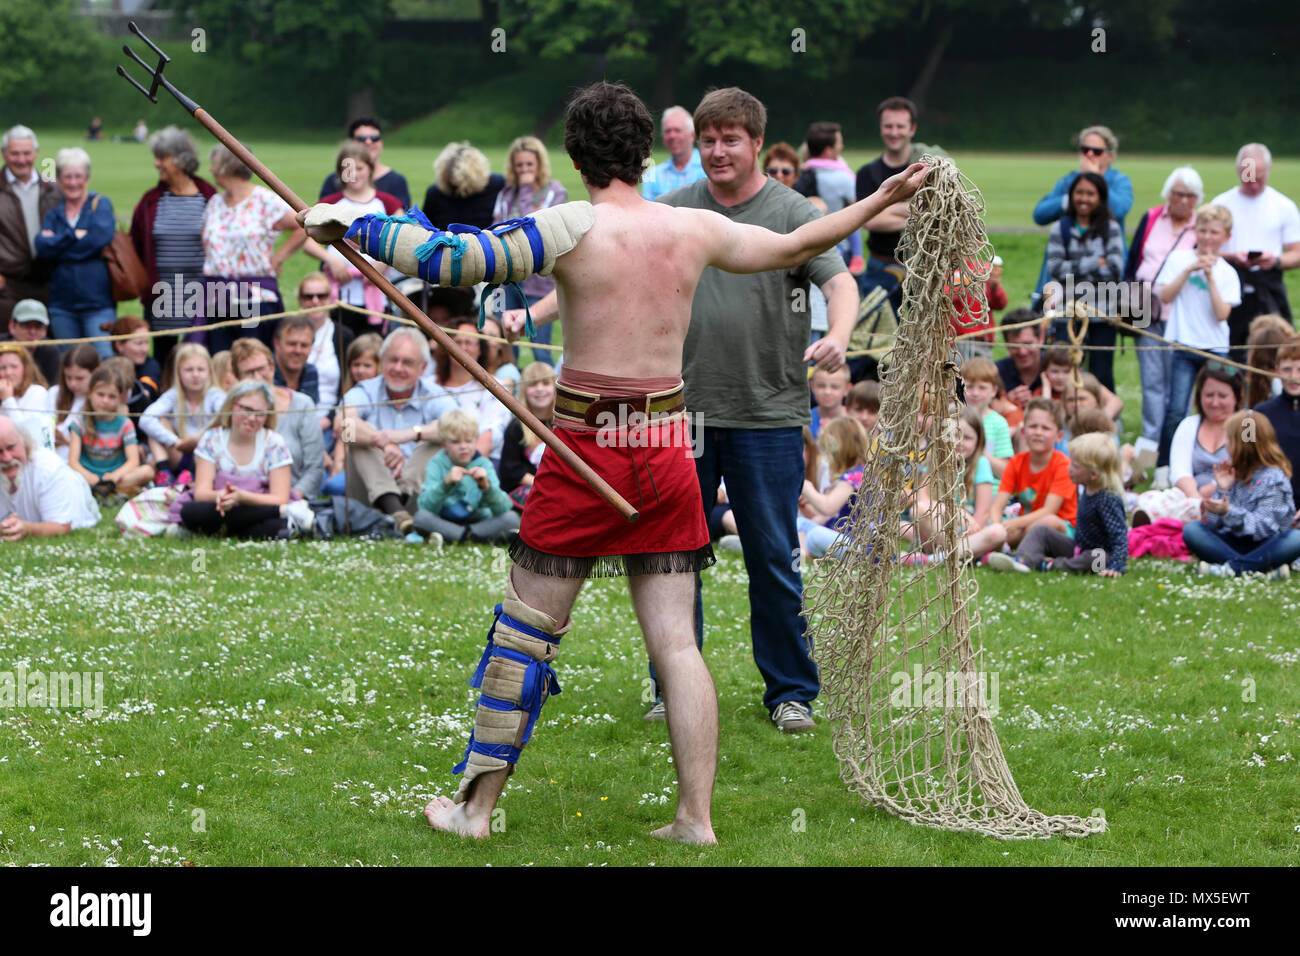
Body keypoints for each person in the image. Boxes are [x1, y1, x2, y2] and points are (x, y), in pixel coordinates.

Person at [305, 80, 924, 843]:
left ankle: (474, 812)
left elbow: (453, 261)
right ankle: (694, 820)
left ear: (576, 152)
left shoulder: (568, 224)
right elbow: (800, 244)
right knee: (676, 641)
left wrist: (354, 221)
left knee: (525, 630)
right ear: (642, 150)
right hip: (666, 443)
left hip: (588, 445)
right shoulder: (690, 226)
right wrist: (879, 198)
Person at [647, 86, 874, 734]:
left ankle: (791, 691)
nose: (717, 150)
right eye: (708, 138)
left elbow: (841, 281)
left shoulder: (791, 211)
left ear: (755, 143)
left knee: (772, 555)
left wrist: (840, 333)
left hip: (770, 415)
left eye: (730, 139)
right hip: (681, 414)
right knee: (673, 557)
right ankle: (669, 682)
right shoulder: (676, 209)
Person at [336, 326, 457, 532]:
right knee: (358, 435)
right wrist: (380, 441)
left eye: (407, 362)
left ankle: (400, 510)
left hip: (416, 495)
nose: (398, 368)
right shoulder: (366, 390)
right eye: (393, 360)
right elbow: (342, 423)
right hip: (367, 496)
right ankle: (395, 511)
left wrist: (410, 434)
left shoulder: (434, 394)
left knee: (438, 437)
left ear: (423, 368)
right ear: (382, 361)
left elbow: (459, 427)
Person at [1124, 166, 1202, 480]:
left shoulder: (1202, 225)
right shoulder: (1153, 216)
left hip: (1181, 317)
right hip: (1145, 310)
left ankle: (1174, 458)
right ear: (1168, 194)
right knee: (1152, 384)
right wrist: (1126, 298)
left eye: (1189, 195)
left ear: (1197, 199)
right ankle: (1149, 455)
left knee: (1178, 391)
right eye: (1178, 193)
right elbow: (1133, 261)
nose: (1182, 200)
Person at [1155, 204, 1241, 468]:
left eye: (1214, 233)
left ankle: (1221, 460)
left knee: (1217, 409)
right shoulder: (1179, 260)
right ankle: (1165, 465)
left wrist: (1210, 277)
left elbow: (1221, 314)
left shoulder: (1228, 272)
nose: (1206, 237)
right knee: (1176, 409)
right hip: (1182, 345)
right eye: (1202, 231)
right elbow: (1165, 296)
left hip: (1215, 349)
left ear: (1225, 236)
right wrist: (1189, 270)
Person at [201, 144, 306, 354]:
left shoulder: (263, 200)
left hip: (255, 298)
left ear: (228, 166)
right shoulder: (214, 202)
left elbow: (303, 225)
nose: (211, 170)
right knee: (220, 362)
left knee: (252, 360)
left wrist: (278, 258)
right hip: (218, 298)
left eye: (214, 164)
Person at [129, 126, 219, 374]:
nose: (157, 164)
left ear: (181, 160)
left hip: (201, 291)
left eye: (162, 158)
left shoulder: (209, 196)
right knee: (164, 360)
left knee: (200, 358)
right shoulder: (151, 200)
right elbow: (135, 243)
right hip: (162, 292)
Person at [180, 380, 309, 539]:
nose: (253, 418)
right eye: (247, 409)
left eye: (260, 413)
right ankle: (253, 526)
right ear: (231, 406)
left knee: (273, 524)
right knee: (191, 511)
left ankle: (224, 530)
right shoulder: (211, 439)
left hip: (260, 505)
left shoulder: (275, 443)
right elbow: (201, 493)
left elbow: (279, 497)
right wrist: (223, 496)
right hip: (220, 505)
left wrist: (242, 497)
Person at [1184, 410, 1300, 578]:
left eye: (1229, 439)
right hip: (1232, 541)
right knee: (1192, 530)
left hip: (1268, 544)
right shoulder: (1232, 474)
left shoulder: (1274, 479)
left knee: (1296, 539)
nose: (1226, 444)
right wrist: (1223, 490)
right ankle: (1260, 569)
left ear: (1242, 444)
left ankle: (1232, 568)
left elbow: (1263, 528)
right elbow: (1215, 523)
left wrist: (1228, 511)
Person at [1210, 144, 1300, 360]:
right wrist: (1232, 257)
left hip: (1268, 286)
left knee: (1280, 351)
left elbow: (1296, 252)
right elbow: (1204, 250)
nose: (1253, 184)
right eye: (1247, 177)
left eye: (1258, 178)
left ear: (1268, 171)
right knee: (1230, 353)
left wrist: (1276, 261)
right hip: (1231, 285)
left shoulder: (1283, 206)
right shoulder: (1221, 205)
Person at [996, 432, 1128, 575]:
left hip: (1100, 557)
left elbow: (1120, 537)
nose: (1069, 468)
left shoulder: (1108, 499)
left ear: (1093, 474)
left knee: (1094, 558)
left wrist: (1115, 567)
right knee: (1041, 531)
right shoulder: (1088, 487)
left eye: (1076, 466)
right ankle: (1022, 560)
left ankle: (1050, 565)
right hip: (1078, 548)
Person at [1031, 125, 1133, 308]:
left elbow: (1119, 209)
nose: (1090, 155)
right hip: (1065, 279)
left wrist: (1094, 178)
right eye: (1085, 150)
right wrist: (1071, 198)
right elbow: (1040, 215)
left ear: (1110, 155)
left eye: (1097, 151)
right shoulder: (1069, 181)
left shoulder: (1119, 181)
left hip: (1104, 283)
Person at [1041, 171, 1125, 392]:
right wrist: (1096, 262)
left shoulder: (1111, 228)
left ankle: (1105, 419)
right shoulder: (1061, 228)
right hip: (1067, 311)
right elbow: (1056, 268)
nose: (1084, 198)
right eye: (1079, 192)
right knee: (1066, 367)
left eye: (1090, 193)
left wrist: (1075, 267)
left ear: (1100, 197)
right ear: (1071, 195)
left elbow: (1115, 266)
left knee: (1102, 372)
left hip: (1102, 313)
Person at [33, 148, 117, 358]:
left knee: (103, 360)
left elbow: (98, 240)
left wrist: (59, 244)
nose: (72, 183)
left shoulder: (100, 205)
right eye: (67, 177)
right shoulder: (54, 213)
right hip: (62, 306)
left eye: (78, 176)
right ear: (59, 180)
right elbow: (42, 247)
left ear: (87, 178)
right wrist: (74, 236)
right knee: (67, 362)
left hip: (97, 304)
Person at [493, 136, 569, 364]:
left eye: (529, 165)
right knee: (506, 344)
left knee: (539, 348)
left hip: (539, 283)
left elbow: (531, 226)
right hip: (506, 281)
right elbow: (496, 228)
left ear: (540, 166)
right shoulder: (506, 194)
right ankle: (510, 392)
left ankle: (544, 393)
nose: (524, 170)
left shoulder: (555, 192)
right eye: (519, 165)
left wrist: (526, 189)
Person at [318, 142, 405, 335]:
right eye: (347, 168)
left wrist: (382, 262)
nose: (353, 173)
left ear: (370, 169)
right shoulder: (330, 203)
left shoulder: (387, 203)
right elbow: (307, 238)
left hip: (376, 289)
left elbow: (402, 238)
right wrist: (331, 260)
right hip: (339, 291)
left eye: (359, 168)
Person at [854, 96, 949, 272]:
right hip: (881, 266)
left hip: (924, 266)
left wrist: (885, 209)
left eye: (900, 126)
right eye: (888, 126)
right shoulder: (866, 173)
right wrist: (917, 216)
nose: (894, 132)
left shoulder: (928, 168)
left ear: (912, 129)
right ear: (881, 128)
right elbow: (869, 221)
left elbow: (939, 207)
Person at [230, 338, 324, 499]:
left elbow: (315, 468)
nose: (258, 377)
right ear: (238, 377)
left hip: (292, 496)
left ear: (272, 368)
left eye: (261, 369)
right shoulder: (232, 409)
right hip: (243, 497)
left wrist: (292, 498)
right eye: (249, 373)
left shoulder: (301, 404)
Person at [912, 406, 1007, 563]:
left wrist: (970, 533)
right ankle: (964, 555)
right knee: (919, 510)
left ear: (979, 442)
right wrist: (958, 513)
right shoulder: (932, 461)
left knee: (998, 532)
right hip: (939, 533)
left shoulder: (981, 464)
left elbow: (982, 514)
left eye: (967, 438)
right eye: (952, 435)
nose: (958, 442)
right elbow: (922, 501)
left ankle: (938, 558)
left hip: (970, 533)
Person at [413, 407, 519, 546]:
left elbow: (503, 508)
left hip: (480, 522)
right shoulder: (436, 463)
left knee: (511, 519)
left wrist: (486, 487)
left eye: (468, 441)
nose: (463, 447)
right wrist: (445, 484)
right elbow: (425, 506)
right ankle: (476, 537)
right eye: (456, 442)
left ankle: (458, 536)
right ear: (444, 445)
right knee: (421, 518)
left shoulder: (484, 464)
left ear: (476, 441)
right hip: (445, 520)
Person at [986, 397, 1077, 551]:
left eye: (1045, 428)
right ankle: (999, 544)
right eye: (1033, 426)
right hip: (1024, 523)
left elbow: (1049, 510)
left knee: (1047, 522)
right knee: (991, 524)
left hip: (1061, 528)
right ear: (1023, 431)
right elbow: (997, 506)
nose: (1038, 432)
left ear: (1059, 436)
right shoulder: (1016, 462)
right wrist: (996, 527)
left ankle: (1003, 547)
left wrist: (1013, 524)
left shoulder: (1063, 465)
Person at [0, 417, 99, 541]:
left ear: (24, 444)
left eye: (11, 447)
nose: (7, 458)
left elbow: (62, 526)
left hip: (80, 505)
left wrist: (27, 529)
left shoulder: (48, 469)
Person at [0, 125, 60, 326]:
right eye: (15, 153)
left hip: (47, 281)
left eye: (27, 153)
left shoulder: (53, 190)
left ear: (36, 153)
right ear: (4, 154)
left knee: (47, 346)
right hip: (8, 284)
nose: (21, 159)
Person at [431, 318, 509, 467]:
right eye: (457, 342)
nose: (463, 347)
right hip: (434, 462)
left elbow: (490, 435)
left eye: (469, 343)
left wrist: (464, 471)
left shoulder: (494, 387)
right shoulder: (430, 385)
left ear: (481, 349)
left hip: (478, 464)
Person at [68, 365, 154, 498]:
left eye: (112, 396)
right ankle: (106, 490)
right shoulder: (79, 421)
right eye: (100, 394)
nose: (105, 401)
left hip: (117, 476)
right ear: (90, 393)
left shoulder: (125, 424)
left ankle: (103, 489)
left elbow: (133, 461)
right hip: (88, 474)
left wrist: (115, 476)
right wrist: (89, 476)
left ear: (120, 398)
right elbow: (73, 461)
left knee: (147, 471)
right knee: (66, 473)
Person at [140, 342, 225, 476]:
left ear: (209, 371)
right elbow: (146, 418)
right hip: (181, 453)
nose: (195, 374)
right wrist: (175, 441)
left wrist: (198, 437)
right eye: (189, 369)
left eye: (201, 369)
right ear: (178, 372)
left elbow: (226, 419)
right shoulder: (173, 394)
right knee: (158, 423)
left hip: (210, 456)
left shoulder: (216, 395)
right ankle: (165, 475)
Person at [797, 416, 871, 560]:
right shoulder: (856, 473)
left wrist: (807, 487)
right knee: (799, 524)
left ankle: (804, 555)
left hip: (861, 547)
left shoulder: (854, 477)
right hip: (847, 540)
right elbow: (829, 515)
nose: (826, 455)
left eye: (828, 448)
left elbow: (828, 507)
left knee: (815, 535)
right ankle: (800, 556)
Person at [1167, 364, 1242, 503]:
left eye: (1222, 396)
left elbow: (1248, 467)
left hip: (1234, 499)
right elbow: (1179, 472)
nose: (1215, 403)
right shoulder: (1188, 424)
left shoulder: (1248, 423)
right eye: (1209, 395)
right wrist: (1196, 499)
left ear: (1236, 397)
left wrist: (1208, 491)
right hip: (1191, 500)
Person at [321, 331, 382, 497]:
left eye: (367, 365)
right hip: (342, 453)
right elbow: (344, 436)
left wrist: (338, 468)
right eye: (356, 365)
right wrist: (337, 466)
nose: (360, 370)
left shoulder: (381, 395)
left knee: (334, 485)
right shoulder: (351, 394)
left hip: (366, 459)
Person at [797, 122, 864, 273]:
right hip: (838, 249)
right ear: (828, 150)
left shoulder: (800, 174)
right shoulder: (842, 177)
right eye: (839, 143)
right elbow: (857, 211)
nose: (842, 146)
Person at [498, 360, 555, 509]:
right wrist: (543, 484)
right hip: (528, 486)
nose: (540, 389)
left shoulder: (562, 424)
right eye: (533, 384)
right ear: (524, 390)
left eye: (546, 383)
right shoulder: (516, 427)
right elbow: (511, 470)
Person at [318, 118, 411, 210]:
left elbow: (402, 220)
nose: (368, 142)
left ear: (381, 142)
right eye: (361, 139)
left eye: (374, 138)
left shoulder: (396, 182)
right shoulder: (333, 180)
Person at [1255, 336, 1300, 508]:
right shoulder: (1257, 413)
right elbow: (1243, 452)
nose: (1293, 376)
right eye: (1287, 370)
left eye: (1299, 370)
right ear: (1276, 371)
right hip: (1269, 505)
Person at [422, 142, 504, 231]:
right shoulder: (435, 193)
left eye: (464, 187)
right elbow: (426, 229)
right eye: (454, 186)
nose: (460, 192)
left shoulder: (498, 185)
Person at [961, 356, 1014, 477]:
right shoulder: (951, 417)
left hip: (988, 489)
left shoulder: (998, 423)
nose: (975, 393)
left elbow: (1005, 471)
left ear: (994, 391)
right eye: (969, 387)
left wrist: (979, 450)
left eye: (982, 387)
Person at [640, 106, 706, 202]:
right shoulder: (653, 175)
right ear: (663, 138)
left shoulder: (707, 169)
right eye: (667, 131)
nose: (672, 136)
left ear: (692, 135)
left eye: (677, 130)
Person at [103, 316, 162, 419]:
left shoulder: (150, 366)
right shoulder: (105, 366)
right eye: (139, 343)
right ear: (119, 345)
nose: (145, 349)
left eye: (147, 342)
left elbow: (145, 392)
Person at [47, 343, 99, 461]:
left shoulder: (99, 402)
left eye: (79, 378)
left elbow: (99, 451)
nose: (73, 384)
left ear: (96, 372)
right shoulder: (55, 393)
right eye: (68, 377)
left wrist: (67, 441)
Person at [996, 308, 1046, 427]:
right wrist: (1005, 401)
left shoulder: (1057, 367)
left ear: (1040, 339)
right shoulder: (996, 372)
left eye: (1028, 344)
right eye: (1015, 346)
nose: (1022, 352)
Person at [0, 341, 52, 450]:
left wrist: (8, 400)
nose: (8, 372)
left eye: (14, 366)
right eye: (2, 368)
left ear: (25, 368)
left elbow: (29, 438)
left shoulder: (37, 392)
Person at [6, 298, 61, 386]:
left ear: (46, 330)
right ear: (12, 326)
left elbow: (53, 388)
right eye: (26, 325)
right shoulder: (2, 345)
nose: (32, 332)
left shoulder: (50, 351)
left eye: (38, 326)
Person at [271, 315, 320, 404]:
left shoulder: (311, 373)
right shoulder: (263, 372)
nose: (298, 350)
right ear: (276, 343)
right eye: (292, 344)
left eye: (304, 345)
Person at [809, 365, 850, 436]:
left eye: (835, 387)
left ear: (847, 389)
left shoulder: (855, 421)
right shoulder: (805, 422)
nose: (827, 392)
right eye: (821, 386)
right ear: (812, 386)